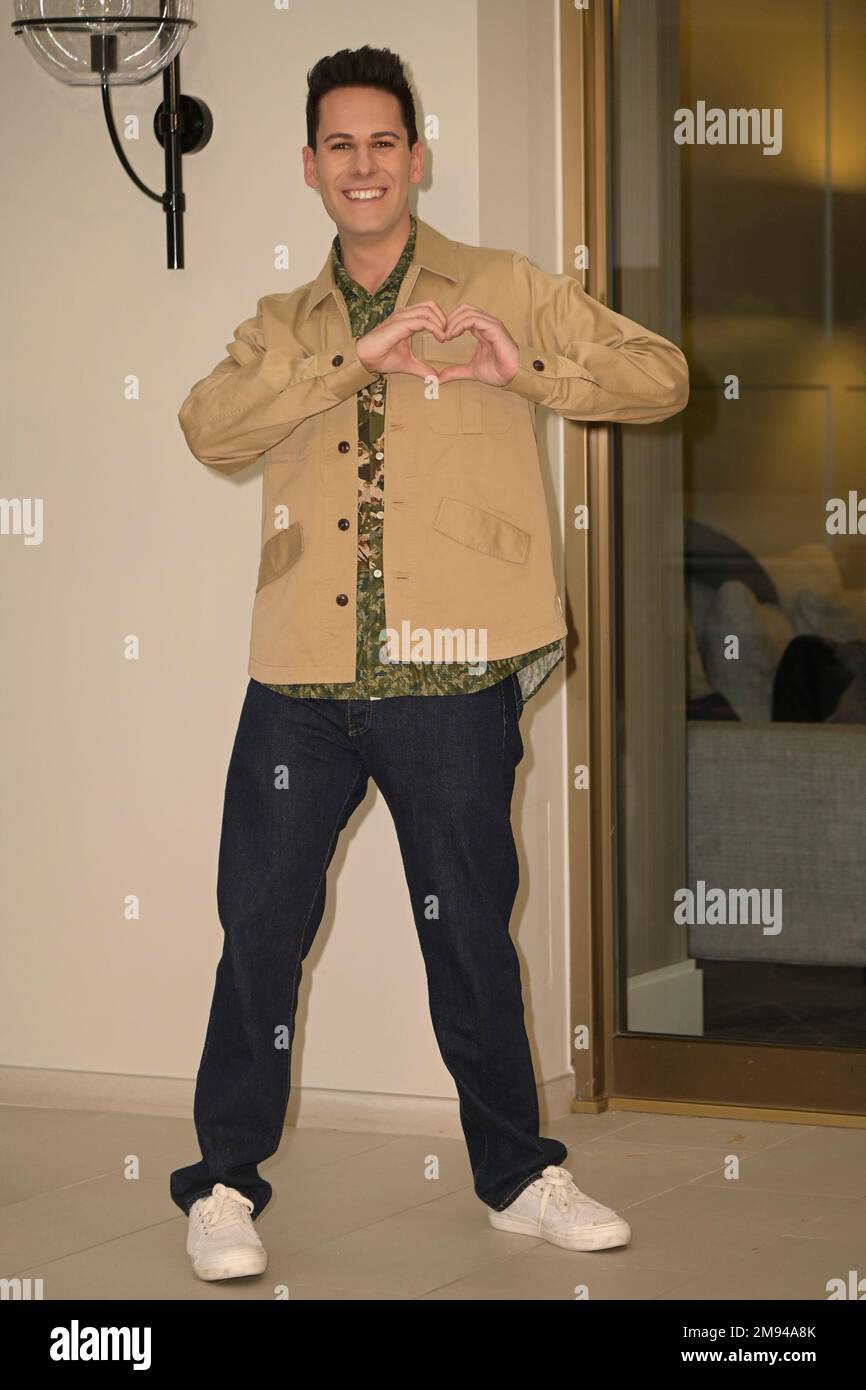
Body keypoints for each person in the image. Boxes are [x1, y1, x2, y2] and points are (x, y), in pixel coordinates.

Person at [170, 45, 689, 1282]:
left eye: (383, 141)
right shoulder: (282, 325)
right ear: (311, 165)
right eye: (339, 144)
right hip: (301, 683)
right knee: (257, 929)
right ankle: (225, 1182)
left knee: (466, 936)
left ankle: (518, 1176)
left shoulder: (504, 284)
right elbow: (207, 428)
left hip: (453, 680)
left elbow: (661, 378)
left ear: (417, 155)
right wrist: (360, 356)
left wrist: (533, 370)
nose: (363, 163)